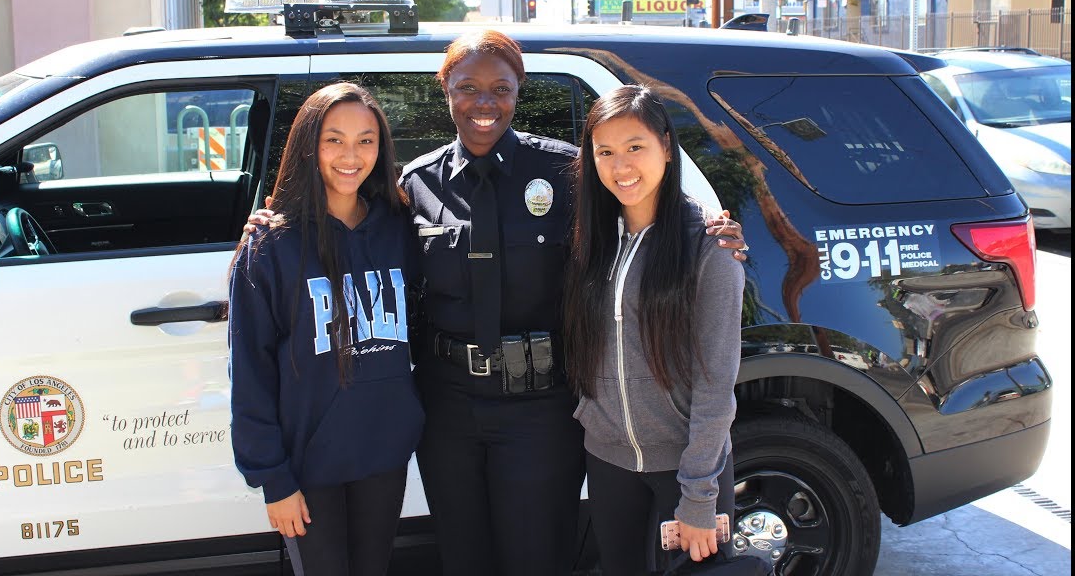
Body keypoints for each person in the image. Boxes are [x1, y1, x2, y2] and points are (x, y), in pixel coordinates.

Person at [244, 30, 748, 576]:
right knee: (463, 558)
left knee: (537, 557)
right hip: (448, 410)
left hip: (540, 408)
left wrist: (714, 228)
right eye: (467, 88)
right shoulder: (416, 186)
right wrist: (274, 219)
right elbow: (353, 225)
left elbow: (638, 193)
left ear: (518, 92)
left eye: (500, 89)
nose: (484, 104)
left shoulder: (566, 172)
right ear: (446, 92)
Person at [227, 82, 424, 576]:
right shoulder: (272, 245)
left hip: (382, 457)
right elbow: (250, 372)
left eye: (366, 140)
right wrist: (273, 479)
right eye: (334, 139)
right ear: (308, 145)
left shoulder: (400, 228)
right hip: (308, 467)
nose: (351, 155)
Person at [563, 85, 748, 575]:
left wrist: (699, 496)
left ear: (666, 146)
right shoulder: (592, 243)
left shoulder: (710, 247)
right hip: (609, 463)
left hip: (685, 469)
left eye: (634, 148)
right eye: (605, 152)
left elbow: (716, 387)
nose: (621, 167)